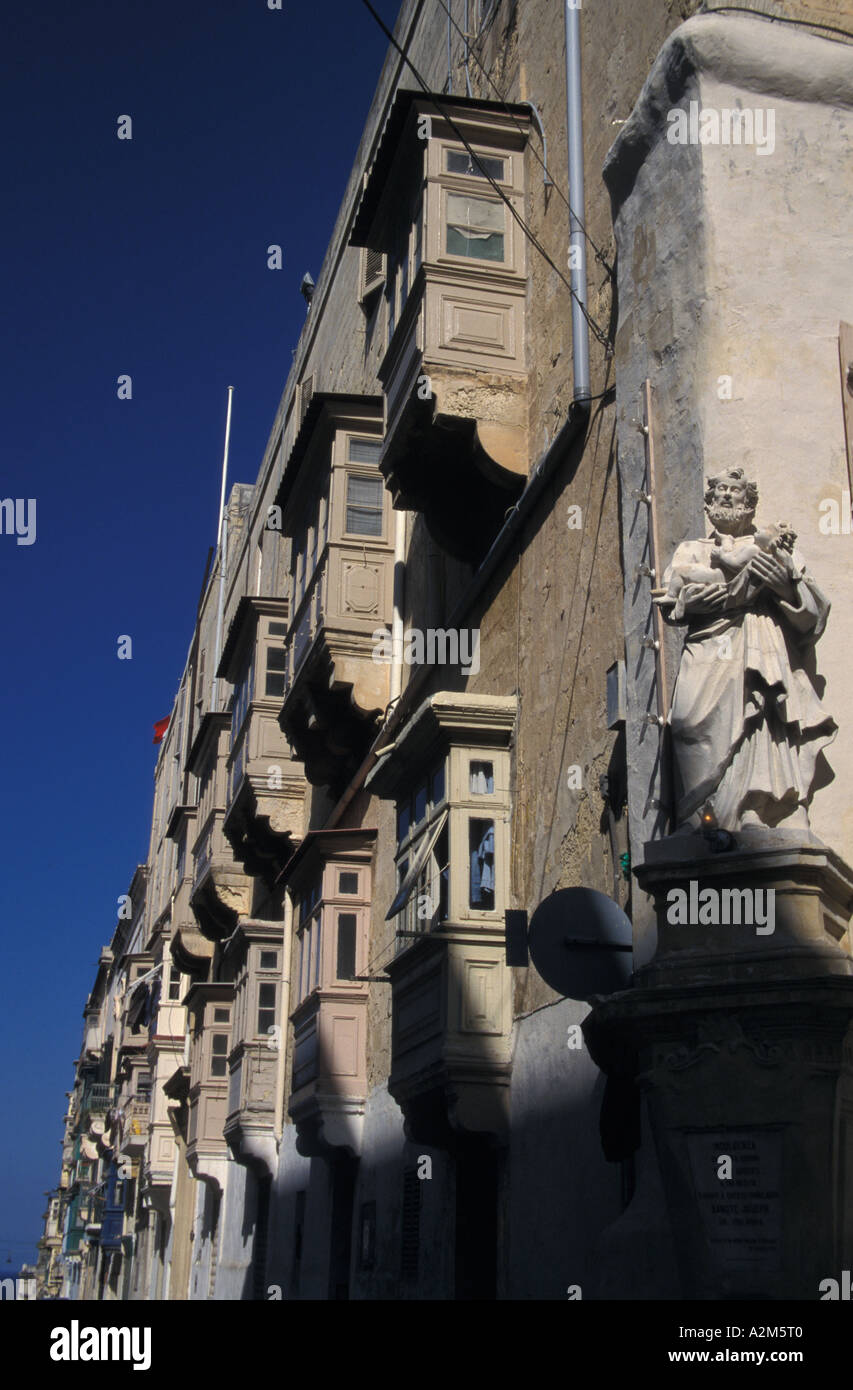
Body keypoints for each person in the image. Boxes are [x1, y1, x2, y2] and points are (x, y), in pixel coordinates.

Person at [658, 467, 836, 830]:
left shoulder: (772, 548)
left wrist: (786, 590)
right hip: (709, 653)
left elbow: (816, 611)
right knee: (684, 723)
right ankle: (699, 821)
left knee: (761, 716)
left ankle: (760, 806)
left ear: (748, 503)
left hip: (761, 644)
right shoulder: (693, 549)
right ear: (709, 502)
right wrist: (718, 595)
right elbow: (674, 599)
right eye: (719, 490)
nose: (726, 496)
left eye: (734, 491)